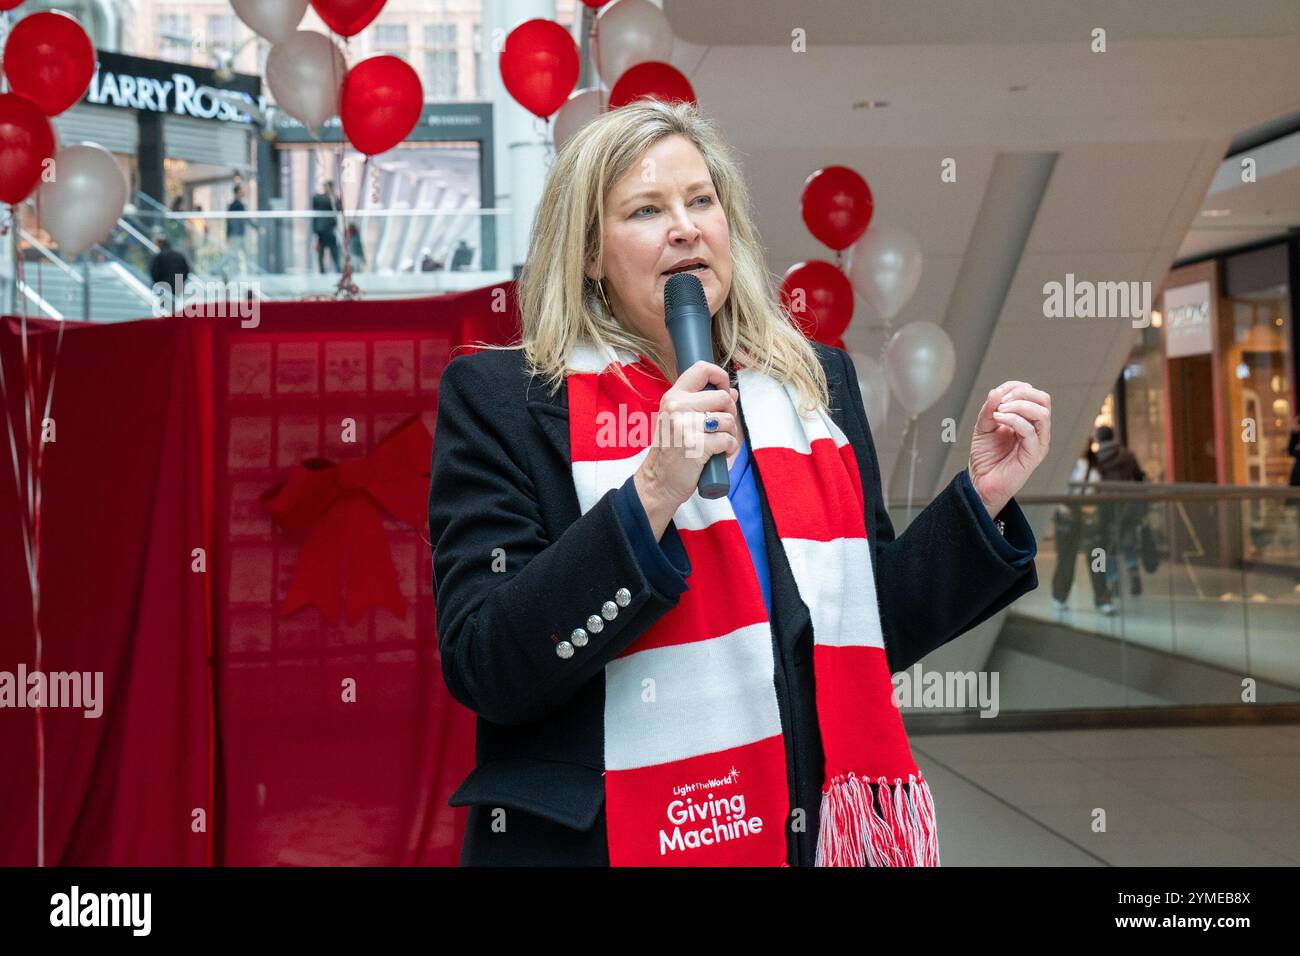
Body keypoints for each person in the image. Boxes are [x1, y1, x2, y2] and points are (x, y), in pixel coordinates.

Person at [427, 100, 1049, 868]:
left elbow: (864, 625)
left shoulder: (813, 387)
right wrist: (652, 491)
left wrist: (980, 500)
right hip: (605, 845)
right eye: (647, 209)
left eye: (701, 201)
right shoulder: (505, 402)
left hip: (799, 832)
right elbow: (487, 662)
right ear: (589, 253)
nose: (685, 227)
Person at [1051, 440, 1114, 615]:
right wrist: (1060, 506)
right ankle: (1060, 595)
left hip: (1089, 517)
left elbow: (1096, 491)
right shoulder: (1067, 465)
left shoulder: (1092, 468)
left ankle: (1102, 598)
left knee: (1095, 557)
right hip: (1068, 516)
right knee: (1067, 558)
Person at [1094, 424, 1146, 597]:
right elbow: (1139, 477)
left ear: (1099, 439)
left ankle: (1114, 582)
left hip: (1106, 506)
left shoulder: (1096, 460)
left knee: (1109, 546)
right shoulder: (1127, 454)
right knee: (1128, 540)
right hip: (1127, 504)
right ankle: (1133, 573)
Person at [148, 233, 191, 312]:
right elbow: (187, 270)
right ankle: (171, 320)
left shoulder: (159, 256)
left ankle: (167, 321)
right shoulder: (179, 255)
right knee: (172, 305)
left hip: (163, 285)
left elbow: (153, 272)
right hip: (177, 285)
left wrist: (157, 282)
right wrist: (181, 281)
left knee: (164, 307)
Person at [221, 184, 256, 277]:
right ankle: (224, 271)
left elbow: (246, 219)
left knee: (241, 254)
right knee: (232, 255)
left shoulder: (239, 204)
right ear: (237, 193)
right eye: (241, 191)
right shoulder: (234, 205)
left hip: (240, 234)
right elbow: (229, 221)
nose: (243, 192)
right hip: (235, 235)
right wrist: (227, 235)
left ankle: (244, 273)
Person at [310, 180, 341, 273]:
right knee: (323, 250)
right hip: (323, 229)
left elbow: (338, 208)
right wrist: (332, 197)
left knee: (332, 249)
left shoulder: (333, 198)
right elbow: (317, 201)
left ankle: (336, 268)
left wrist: (334, 197)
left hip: (329, 228)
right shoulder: (322, 198)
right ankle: (322, 270)